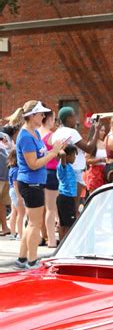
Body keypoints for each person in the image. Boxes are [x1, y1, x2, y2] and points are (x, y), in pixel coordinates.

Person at [6, 101, 66, 269]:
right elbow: (33, 164)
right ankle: (32, 260)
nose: (43, 116)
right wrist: (53, 153)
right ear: (32, 116)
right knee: (34, 223)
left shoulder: (35, 133)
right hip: (31, 183)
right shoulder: (25, 136)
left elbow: (41, 154)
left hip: (35, 182)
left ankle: (23, 258)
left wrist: (54, 150)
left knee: (32, 223)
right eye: (40, 114)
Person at [52, 107, 101, 213]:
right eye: (74, 116)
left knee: (68, 208)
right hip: (74, 172)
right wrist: (97, 131)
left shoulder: (56, 133)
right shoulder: (72, 132)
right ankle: (71, 229)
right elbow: (89, 148)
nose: (76, 120)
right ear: (69, 118)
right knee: (73, 208)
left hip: (64, 170)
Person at [38, 107, 59, 247]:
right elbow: (58, 154)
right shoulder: (51, 135)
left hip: (39, 171)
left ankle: (43, 236)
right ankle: (51, 240)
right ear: (49, 119)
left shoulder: (35, 133)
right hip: (50, 172)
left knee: (42, 208)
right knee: (51, 208)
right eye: (54, 119)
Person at [56, 145, 78, 240]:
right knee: (69, 224)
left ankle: (62, 243)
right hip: (65, 198)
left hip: (67, 197)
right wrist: (60, 147)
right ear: (67, 156)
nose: (75, 158)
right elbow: (63, 154)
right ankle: (66, 243)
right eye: (73, 155)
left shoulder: (69, 166)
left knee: (64, 223)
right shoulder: (62, 166)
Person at [7, 149, 25, 240]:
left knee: (14, 212)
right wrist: (19, 196)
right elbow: (15, 183)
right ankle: (20, 234)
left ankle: (13, 233)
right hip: (16, 191)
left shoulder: (11, 168)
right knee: (21, 213)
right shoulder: (17, 169)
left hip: (12, 191)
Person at [84, 124, 107, 193]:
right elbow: (86, 160)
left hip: (105, 172)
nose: (103, 132)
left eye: (104, 131)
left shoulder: (104, 143)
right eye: (101, 130)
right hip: (95, 174)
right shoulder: (91, 144)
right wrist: (100, 160)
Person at [0, 135, 11, 236]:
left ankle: (4, 227)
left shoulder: (3, 136)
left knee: (2, 203)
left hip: (5, 175)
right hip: (3, 174)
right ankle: (4, 227)